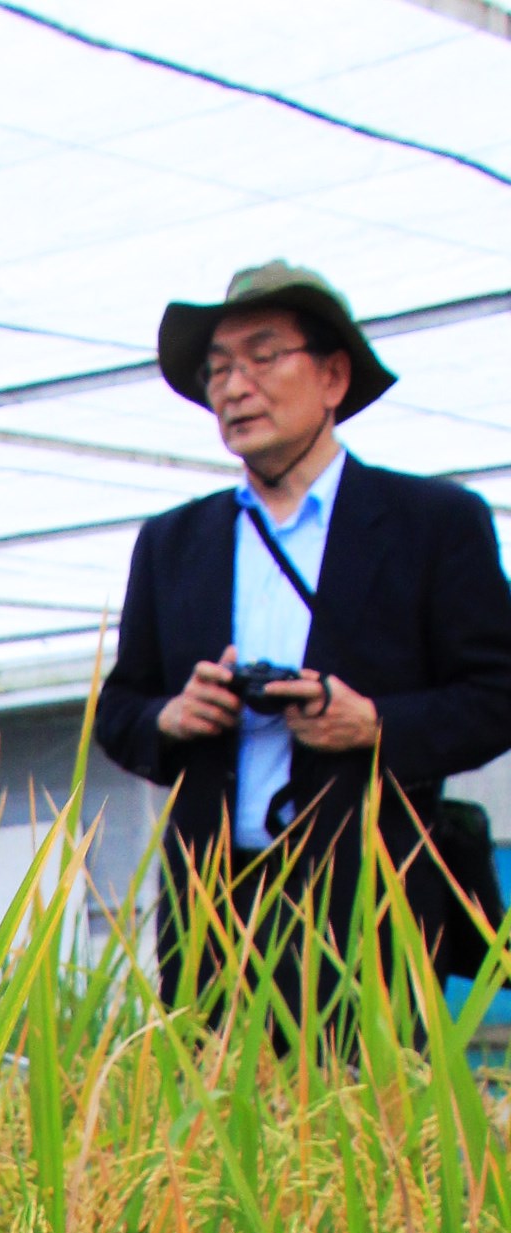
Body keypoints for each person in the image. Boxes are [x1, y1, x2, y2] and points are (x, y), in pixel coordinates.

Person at [95, 260, 511, 1014]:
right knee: (210, 1120)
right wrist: (172, 716)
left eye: (262, 356)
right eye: (216, 368)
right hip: (213, 912)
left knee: (367, 1122)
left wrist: (374, 724)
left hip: (371, 911)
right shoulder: (173, 543)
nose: (232, 385)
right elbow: (119, 709)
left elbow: (497, 695)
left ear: (333, 377)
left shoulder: (434, 524)